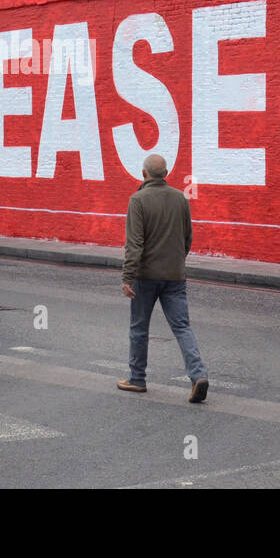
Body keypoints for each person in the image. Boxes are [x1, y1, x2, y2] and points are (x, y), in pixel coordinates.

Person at [118, 153, 208, 403]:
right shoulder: (180, 198)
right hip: (175, 276)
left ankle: (137, 379)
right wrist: (177, 261)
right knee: (182, 327)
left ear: (144, 174)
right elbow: (187, 238)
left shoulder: (138, 200)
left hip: (145, 277)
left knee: (139, 328)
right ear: (166, 174)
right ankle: (198, 375)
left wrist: (128, 277)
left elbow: (135, 244)